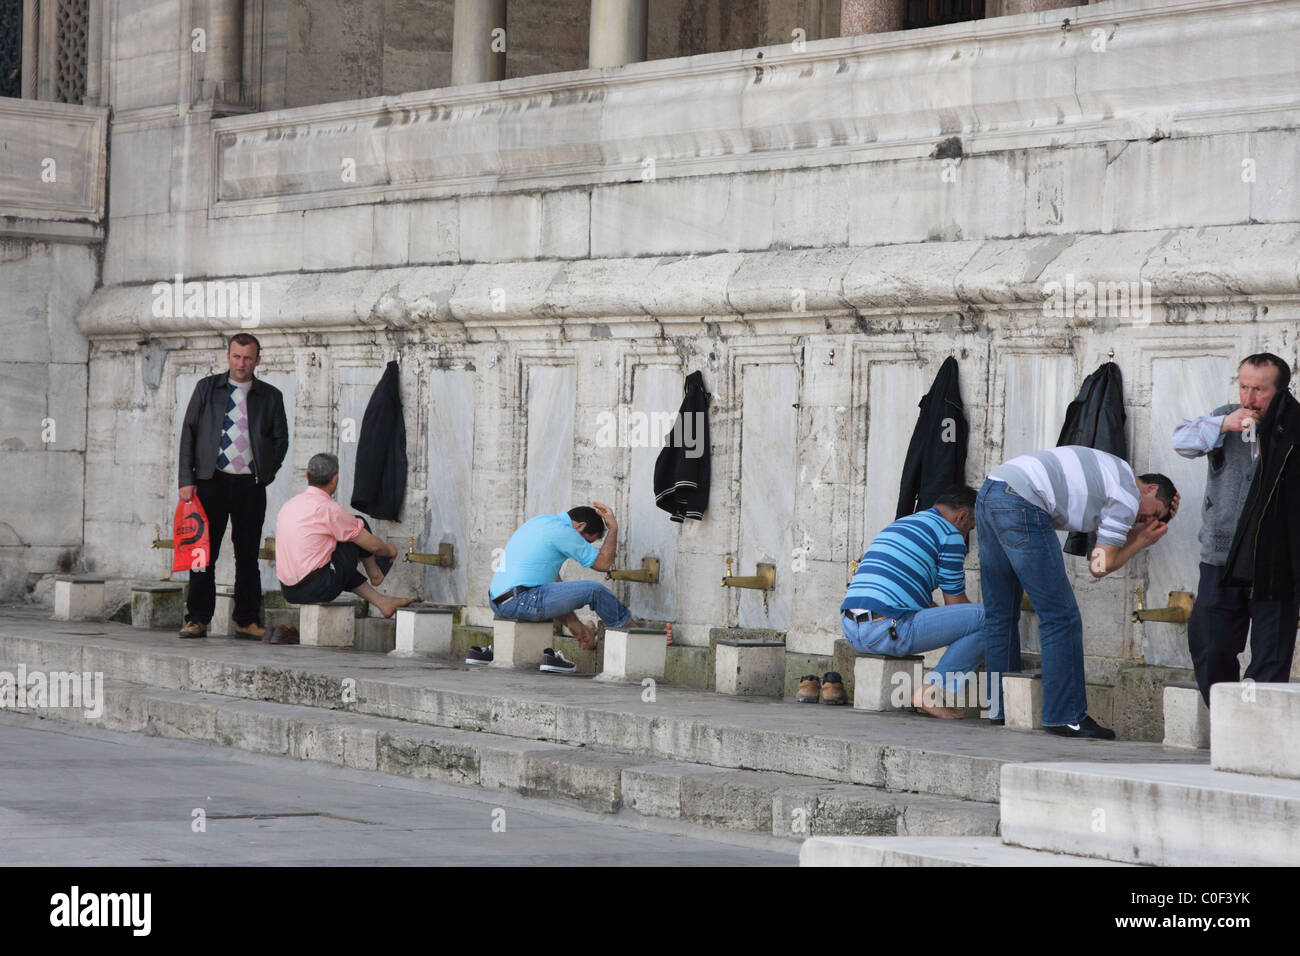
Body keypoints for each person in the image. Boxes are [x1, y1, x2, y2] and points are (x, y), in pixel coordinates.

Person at [977, 446, 1178, 739]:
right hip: (1022, 501)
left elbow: (1100, 553)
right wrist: (1140, 541)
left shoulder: (1115, 471)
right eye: (1153, 514)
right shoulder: (1127, 495)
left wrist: (1138, 531)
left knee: (1000, 612)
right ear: (1150, 487)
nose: (1145, 522)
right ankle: (1066, 715)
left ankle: (1001, 707)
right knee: (1060, 616)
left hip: (991, 491)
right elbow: (1100, 566)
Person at [1173, 352, 1299, 705]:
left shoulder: (1295, 425)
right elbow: (1180, 441)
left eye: (1259, 390)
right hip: (1220, 555)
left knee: (1270, 657)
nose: (1249, 398)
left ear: (1280, 390)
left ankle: (1253, 725)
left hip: (1276, 562)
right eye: (1243, 387)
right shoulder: (1224, 417)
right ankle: (1225, 718)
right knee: (1210, 645)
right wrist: (1223, 424)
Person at [177, 333, 288, 639]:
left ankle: (246, 620)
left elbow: (281, 440)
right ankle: (197, 618)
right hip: (209, 482)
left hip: (250, 485)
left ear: (257, 360)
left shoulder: (270, 396)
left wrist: (266, 472)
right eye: (236, 357)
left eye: (248, 358)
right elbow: (189, 433)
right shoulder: (207, 388)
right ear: (228, 357)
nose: (241, 364)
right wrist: (186, 479)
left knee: (248, 554)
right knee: (203, 553)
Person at [840, 485, 985, 718]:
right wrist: (978, 650)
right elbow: (957, 606)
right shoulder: (950, 535)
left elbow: (927, 607)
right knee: (987, 619)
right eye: (970, 528)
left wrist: (963, 643)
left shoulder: (901, 525)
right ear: (963, 516)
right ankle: (931, 693)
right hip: (885, 629)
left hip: (851, 629)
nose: (967, 534)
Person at [477, 503, 668, 672]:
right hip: (522, 599)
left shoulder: (541, 522)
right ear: (580, 526)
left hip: (500, 600)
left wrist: (575, 625)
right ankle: (639, 639)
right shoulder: (563, 531)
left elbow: (554, 587)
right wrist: (613, 529)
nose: (583, 546)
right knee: (594, 590)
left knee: (553, 588)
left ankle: (585, 632)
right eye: (587, 541)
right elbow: (603, 564)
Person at [275, 453, 415, 617]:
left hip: (289, 591)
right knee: (356, 525)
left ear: (307, 476)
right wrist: (390, 551)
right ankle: (375, 573)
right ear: (335, 479)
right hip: (318, 588)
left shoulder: (288, 506)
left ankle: (382, 602)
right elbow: (374, 546)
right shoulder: (328, 509)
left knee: (334, 558)